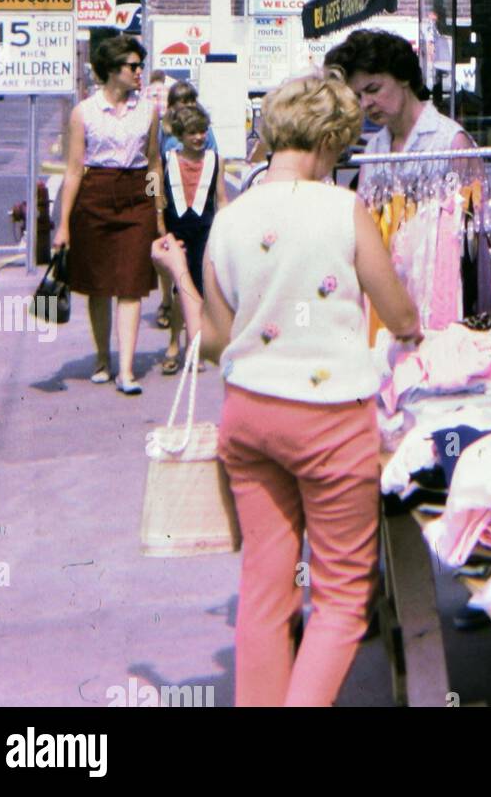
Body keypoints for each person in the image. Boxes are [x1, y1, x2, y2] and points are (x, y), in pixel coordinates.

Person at [151, 72, 420, 708]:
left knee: (266, 592)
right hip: (329, 421)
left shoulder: (230, 220)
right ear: (332, 139)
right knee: (341, 598)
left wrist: (178, 278)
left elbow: (213, 340)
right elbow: (402, 319)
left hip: (248, 419)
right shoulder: (342, 209)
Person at [55, 34, 163, 394]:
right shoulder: (84, 112)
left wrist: (156, 209)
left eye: (139, 66)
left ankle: (127, 370)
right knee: (99, 285)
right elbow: (73, 171)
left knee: (131, 285)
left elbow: (153, 165)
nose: (138, 73)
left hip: (136, 200)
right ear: (112, 69)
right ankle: (103, 357)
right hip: (95, 196)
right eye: (132, 66)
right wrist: (64, 225)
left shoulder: (148, 110)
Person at [323, 29, 475, 192]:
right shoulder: (374, 147)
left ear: (403, 76)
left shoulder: (452, 142)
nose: (365, 103)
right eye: (358, 96)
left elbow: (473, 210)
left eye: (373, 89)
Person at [159, 100, 229, 375]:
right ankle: (173, 343)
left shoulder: (215, 160)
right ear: (180, 134)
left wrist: (224, 229)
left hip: (204, 230)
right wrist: (156, 219)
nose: (199, 137)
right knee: (179, 289)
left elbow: (220, 197)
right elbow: (152, 188)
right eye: (192, 132)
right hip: (175, 229)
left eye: (202, 131)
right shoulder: (167, 160)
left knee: (198, 289)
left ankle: (193, 344)